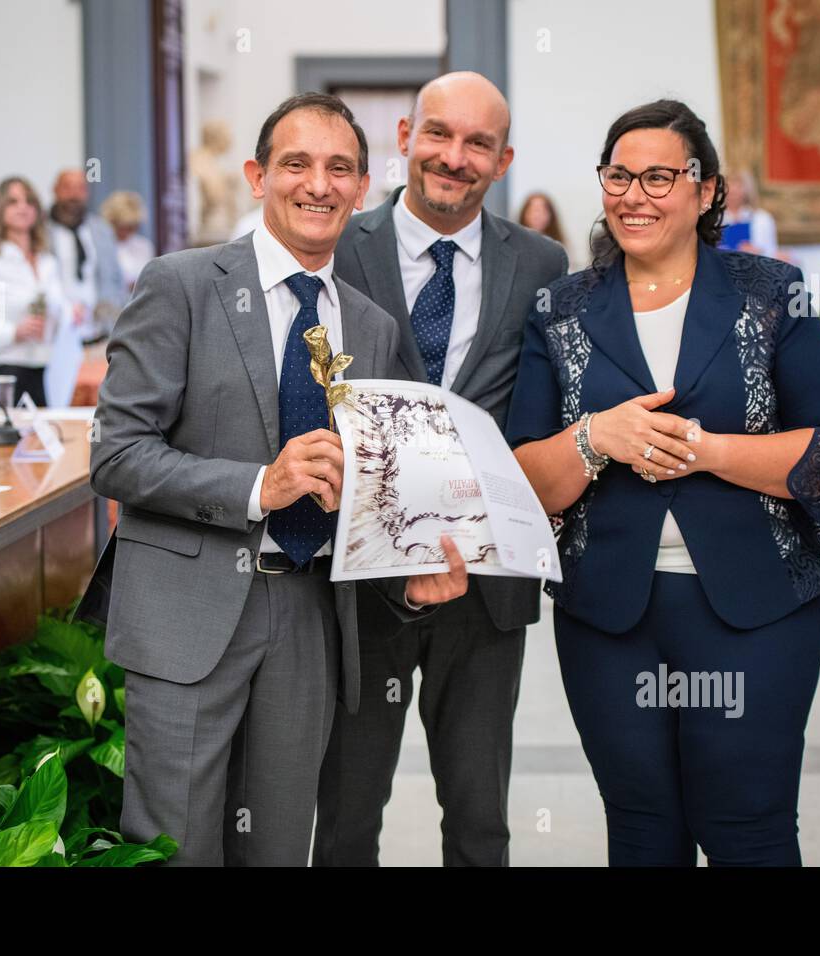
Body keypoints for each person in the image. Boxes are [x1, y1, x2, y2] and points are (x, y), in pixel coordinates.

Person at [87, 93, 468, 867]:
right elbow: (117, 453)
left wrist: (412, 573)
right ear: (259, 175)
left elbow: (380, 491)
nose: (318, 185)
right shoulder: (182, 284)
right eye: (296, 163)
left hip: (308, 619)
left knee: (278, 848)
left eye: (339, 168)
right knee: (175, 850)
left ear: (364, 189)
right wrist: (262, 485)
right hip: (187, 619)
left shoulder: (371, 327)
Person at [506, 100, 820, 866]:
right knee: (642, 831)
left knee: (748, 829)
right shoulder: (561, 309)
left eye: (660, 176)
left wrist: (706, 450)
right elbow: (527, 483)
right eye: (618, 175)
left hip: (757, 608)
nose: (634, 194)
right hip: (610, 615)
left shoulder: (772, 292)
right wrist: (595, 436)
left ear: (706, 191)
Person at [315, 72, 568, 867]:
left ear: (502, 160)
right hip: (360, 578)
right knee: (348, 813)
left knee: (479, 817)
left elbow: (552, 402)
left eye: (477, 144)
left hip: (487, 584)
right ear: (404, 138)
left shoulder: (541, 262)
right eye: (438, 134)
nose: (453, 157)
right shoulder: (336, 249)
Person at [0, 176, 69, 406]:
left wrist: (71, 312)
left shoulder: (48, 263)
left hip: (49, 370)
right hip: (7, 372)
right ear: (0, 209)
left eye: (29, 201)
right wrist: (12, 332)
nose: (23, 208)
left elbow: (59, 309)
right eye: (13, 202)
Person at [48, 168, 126, 342]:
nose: (74, 195)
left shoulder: (101, 230)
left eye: (80, 188)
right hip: (56, 333)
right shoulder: (41, 232)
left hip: (98, 331)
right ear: (55, 190)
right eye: (67, 188)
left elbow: (115, 278)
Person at [99, 190, 155, 292]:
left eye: (133, 227)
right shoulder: (101, 246)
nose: (128, 232)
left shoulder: (144, 246)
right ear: (113, 222)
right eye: (125, 227)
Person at [717, 168, 778, 256]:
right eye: (728, 186)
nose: (733, 191)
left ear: (748, 190)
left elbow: (771, 253)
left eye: (738, 186)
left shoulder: (762, 218)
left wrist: (757, 251)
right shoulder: (714, 219)